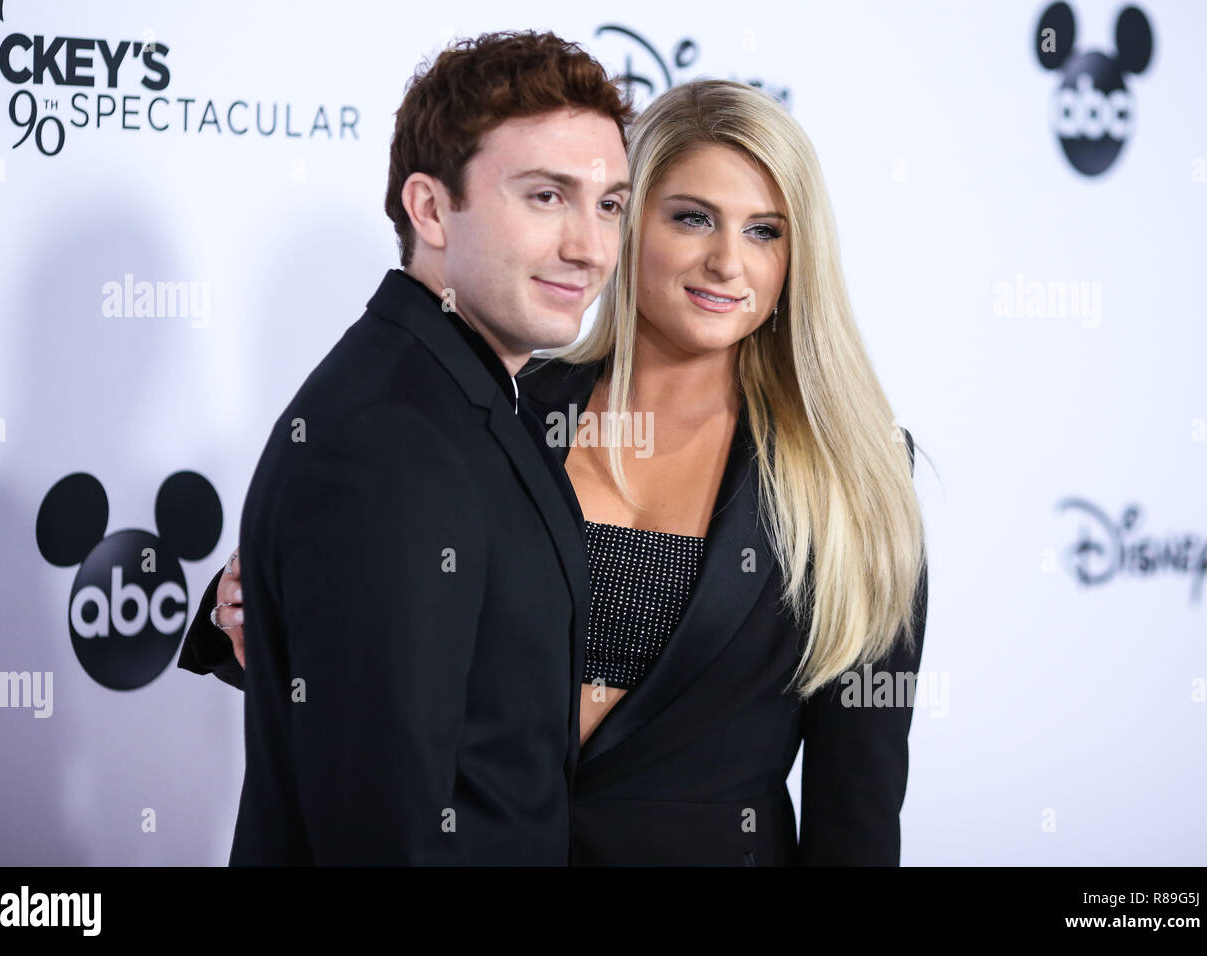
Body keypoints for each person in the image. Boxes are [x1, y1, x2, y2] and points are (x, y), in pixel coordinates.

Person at [187, 79, 929, 866]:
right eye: (692, 218)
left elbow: (858, 801)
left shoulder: (853, 475)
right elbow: (384, 683)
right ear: (624, 223)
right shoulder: (492, 408)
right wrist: (256, 613)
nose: (726, 262)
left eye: (765, 232)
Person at [186, 30, 634, 865]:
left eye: (609, 203)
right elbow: (382, 829)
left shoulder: (461, 392)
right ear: (430, 209)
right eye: (546, 197)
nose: (592, 247)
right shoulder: (392, 440)